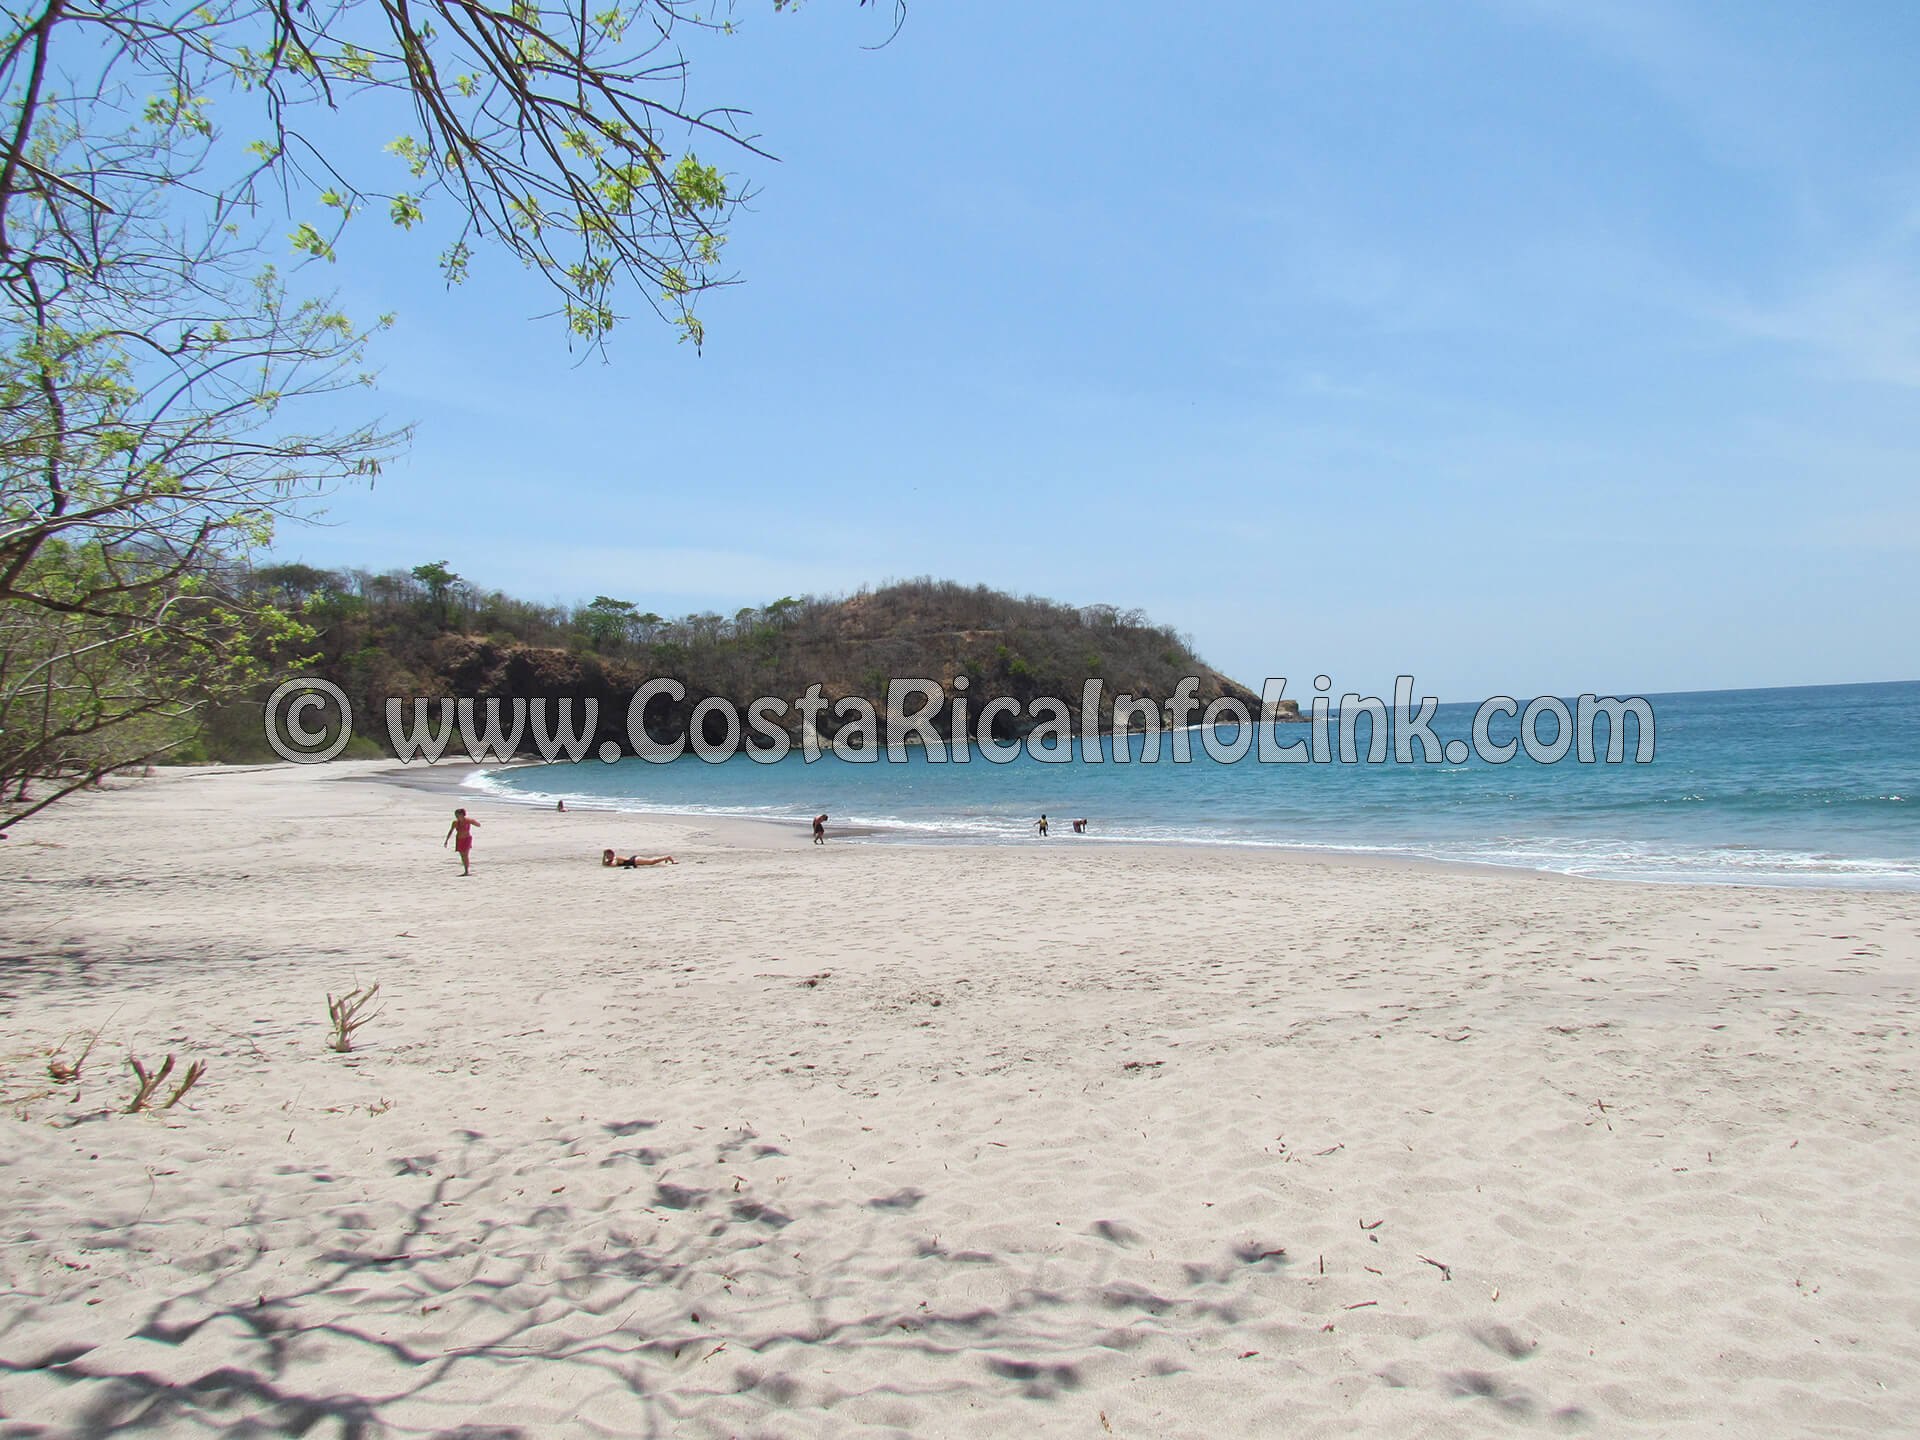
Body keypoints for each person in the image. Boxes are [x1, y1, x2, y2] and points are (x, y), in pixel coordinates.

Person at [445, 808, 480, 875]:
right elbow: (451, 831)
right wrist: (447, 840)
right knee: (462, 856)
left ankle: (467, 871)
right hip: (459, 840)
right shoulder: (455, 822)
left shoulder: (468, 820)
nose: (456, 816)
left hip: (467, 839)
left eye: (458, 815)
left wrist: (475, 823)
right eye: (456, 815)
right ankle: (465, 870)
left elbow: (478, 824)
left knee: (465, 855)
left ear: (462, 815)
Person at [602, 849, 675, 867]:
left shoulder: (615, 858)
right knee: (651, 861)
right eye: (606, 856)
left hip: (634, 860)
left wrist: (610, 861)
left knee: (651, 862)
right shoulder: (611, 860)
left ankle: (667, 857)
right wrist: (603, 857)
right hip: (634, 861)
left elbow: (613, 865)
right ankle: (664, 858)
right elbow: (604, 864)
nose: (607, 857)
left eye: (608, 855)